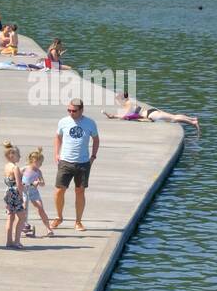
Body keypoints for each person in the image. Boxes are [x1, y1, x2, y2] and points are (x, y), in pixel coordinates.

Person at [51, 98, 99, 232]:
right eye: (69, 110)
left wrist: (93, 156)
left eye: (74, 111)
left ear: (81, 110)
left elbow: (96, 139)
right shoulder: (63, 122)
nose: (71, 113)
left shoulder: (90, 123)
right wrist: (57, 153)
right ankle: (58, 217)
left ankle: (78, 221)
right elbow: (58, 137)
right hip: (65, 161)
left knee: (80, 191)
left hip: (83, 162)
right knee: (59, 190)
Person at [104, 90, 200, 131]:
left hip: (152, 115)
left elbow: (126, 116)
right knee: (173, 116)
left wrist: (113, 116)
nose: (118, 101)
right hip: (151, 112)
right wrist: (113, 116)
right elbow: (129, 115)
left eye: (119, 99)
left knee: (174, 119)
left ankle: (193, 123)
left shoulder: (128, 104)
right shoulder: (129, 103)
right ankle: (192, 119)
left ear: (123, 98)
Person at [22, 147, 54, 238]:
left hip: (34, 192)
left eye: (41, 163)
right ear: (33, 160)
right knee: (24, 207)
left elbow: (43, 183)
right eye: (39, 163)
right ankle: (23, 224)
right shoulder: (24, 169)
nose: (41, 165)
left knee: (40, 208)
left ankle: (48, 228)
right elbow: (16, 177)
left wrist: (39, 182)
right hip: (24, 191)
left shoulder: (38, 172)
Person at [2, 141, 27, 249]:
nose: (20, 157)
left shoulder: (7, 166)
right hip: (15, 194)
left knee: (10, 217)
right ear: (11, 155)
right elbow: (19, 184)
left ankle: (9, 241)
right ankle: (17, 241)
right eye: (18, 155)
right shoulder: (15, 168)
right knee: (22, 217)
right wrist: (22, 196)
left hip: (8, 193)